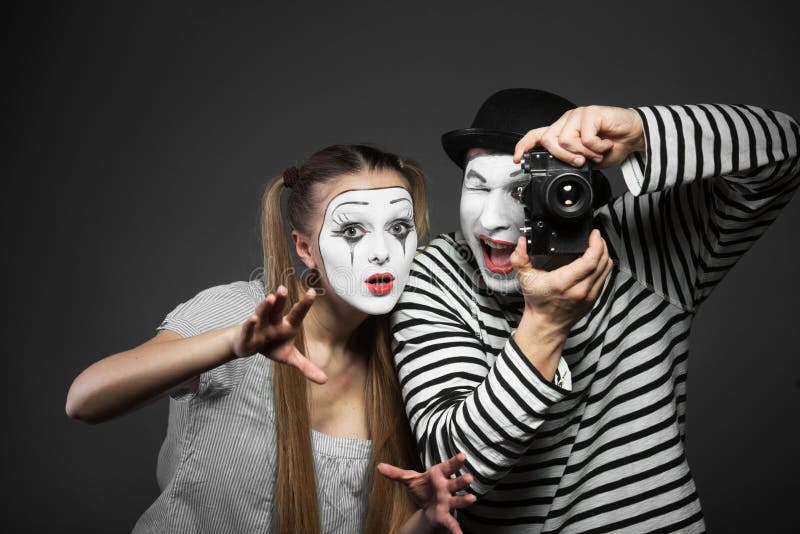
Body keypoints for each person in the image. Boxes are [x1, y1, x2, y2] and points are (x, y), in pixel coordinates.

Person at [391, 88, 799, 532]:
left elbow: (784, 151)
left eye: (524, 189)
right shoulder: (440, 272)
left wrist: (643, 131)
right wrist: (544, 327)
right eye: (478, 185)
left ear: (575, 195)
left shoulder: (646, 249)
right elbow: (453, 469)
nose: (491, 220)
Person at [66, 144, 477, 534]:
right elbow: (84, 400)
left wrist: (428, 516)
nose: (382, 251)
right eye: (352, 230)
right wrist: (233, 344)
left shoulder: (408, 355)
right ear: (304, 248)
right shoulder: (236, 312)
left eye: (399, 227)